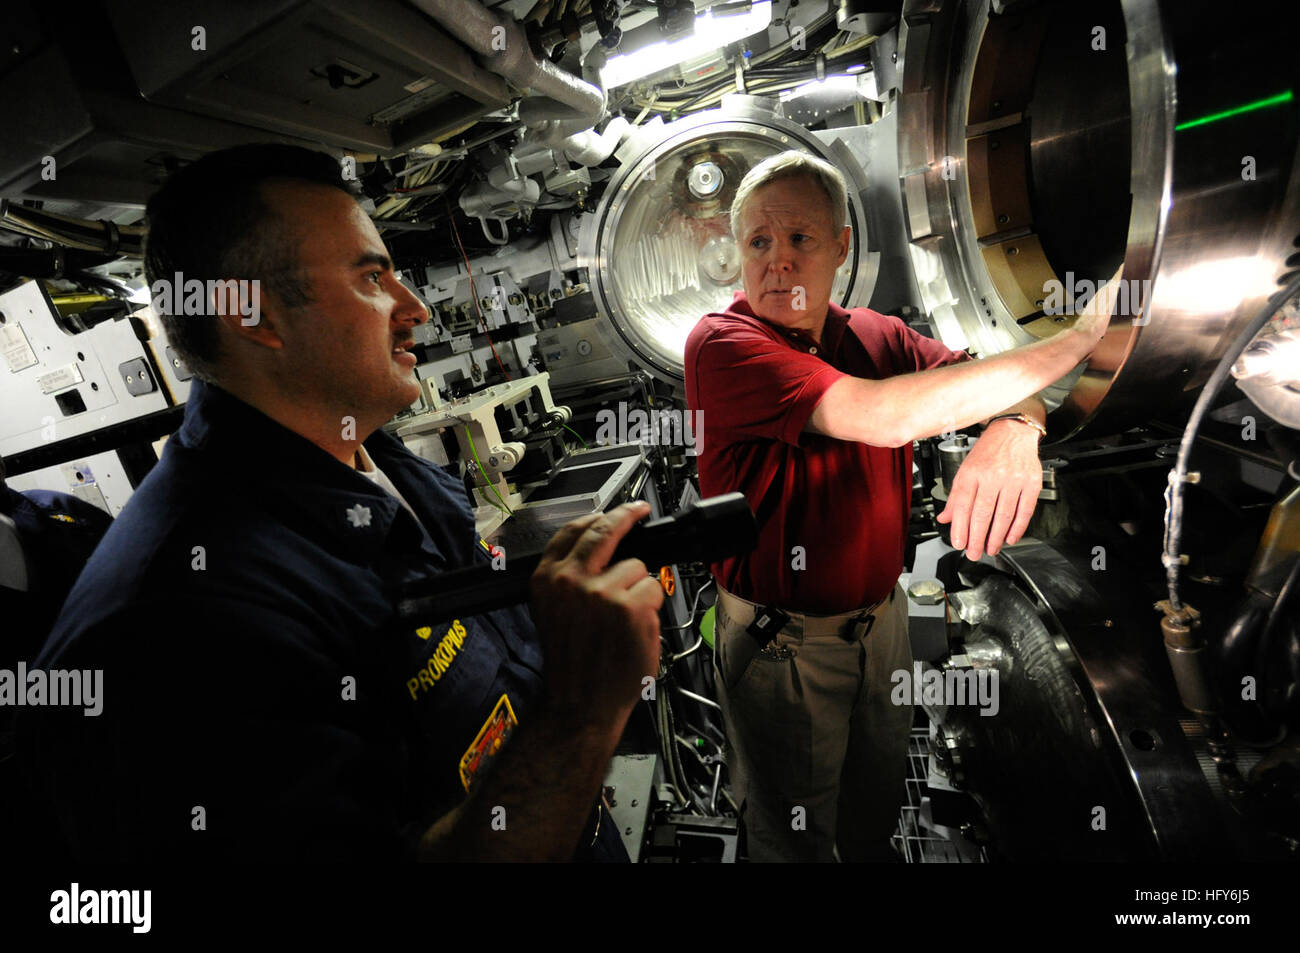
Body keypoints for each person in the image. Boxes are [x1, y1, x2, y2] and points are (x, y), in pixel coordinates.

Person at [20, 144, 664, 862]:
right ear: (254, 317)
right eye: (371, 277)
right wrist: (580, 716)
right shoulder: (177, 622)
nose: (414, 308)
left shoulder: (385, 464)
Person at [684, 151, 1111, 862]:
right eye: (759, 241)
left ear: (842, 245)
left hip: (880, 626)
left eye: (800, 239)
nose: (778, 262)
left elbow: (986, 383)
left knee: (874, 812)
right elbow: (878, 414)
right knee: (791, 839)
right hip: (784, 645)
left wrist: (1017, 427)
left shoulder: (877, 335)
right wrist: (1081, 339)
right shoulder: (723, 344)